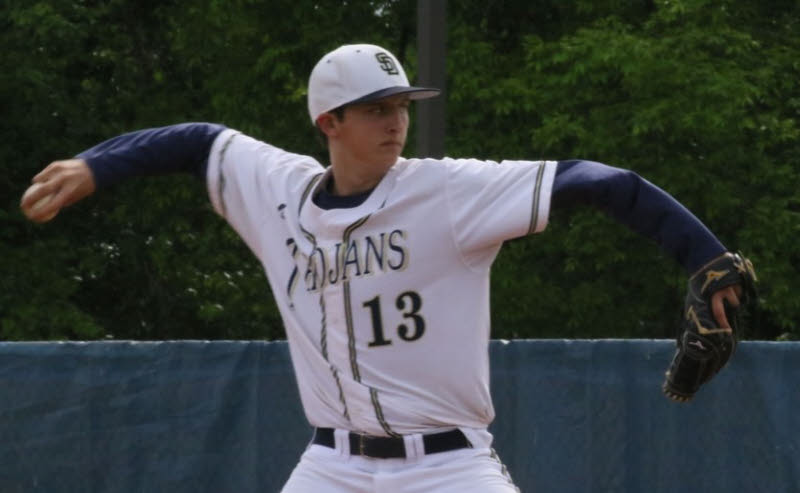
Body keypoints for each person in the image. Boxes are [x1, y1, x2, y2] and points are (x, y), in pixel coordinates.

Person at [21, 43, 746, 492]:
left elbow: (599, 181)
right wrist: (96, 164)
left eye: (400, 104)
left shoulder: (447, 192)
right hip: (332, 466)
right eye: (373, 108)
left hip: (448, 466)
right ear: (328, 122)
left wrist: (704, 255)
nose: (395, 119)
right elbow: (199, 141)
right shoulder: (277, 193)